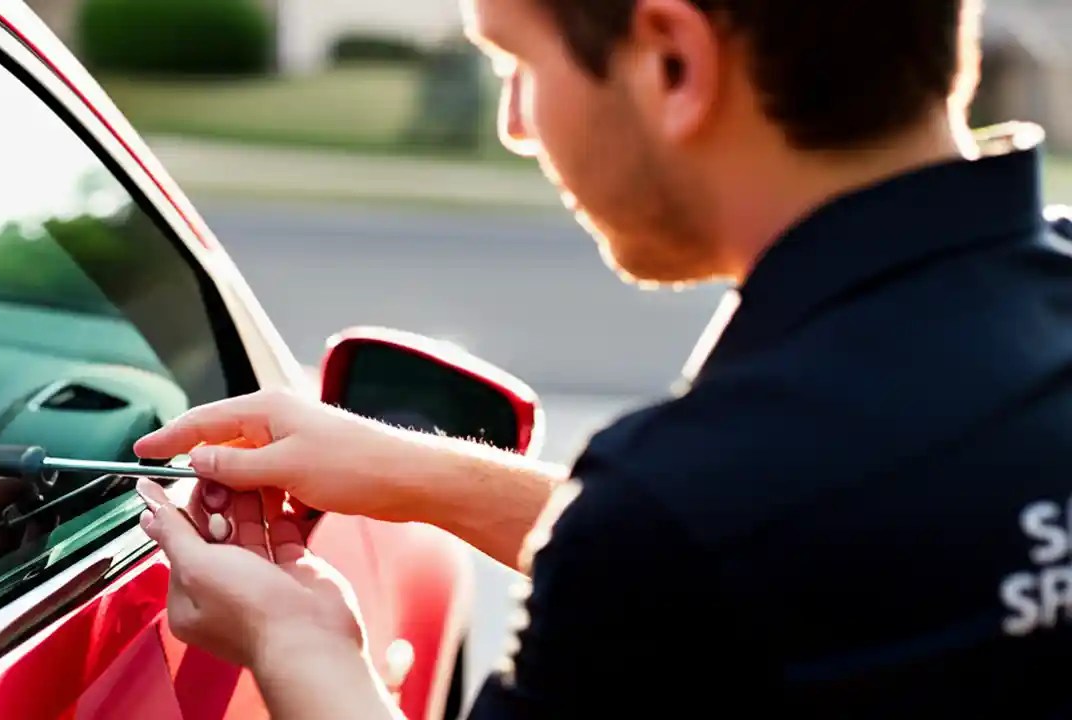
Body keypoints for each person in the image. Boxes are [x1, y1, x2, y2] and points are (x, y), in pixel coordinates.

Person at [132, 0, 1072, 715]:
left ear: (673, 58)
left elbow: (702, 550)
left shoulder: (678, 513)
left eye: (517, 62)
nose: (515, 124)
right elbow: (816, 563)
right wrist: (413, 473)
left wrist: (297, 642)